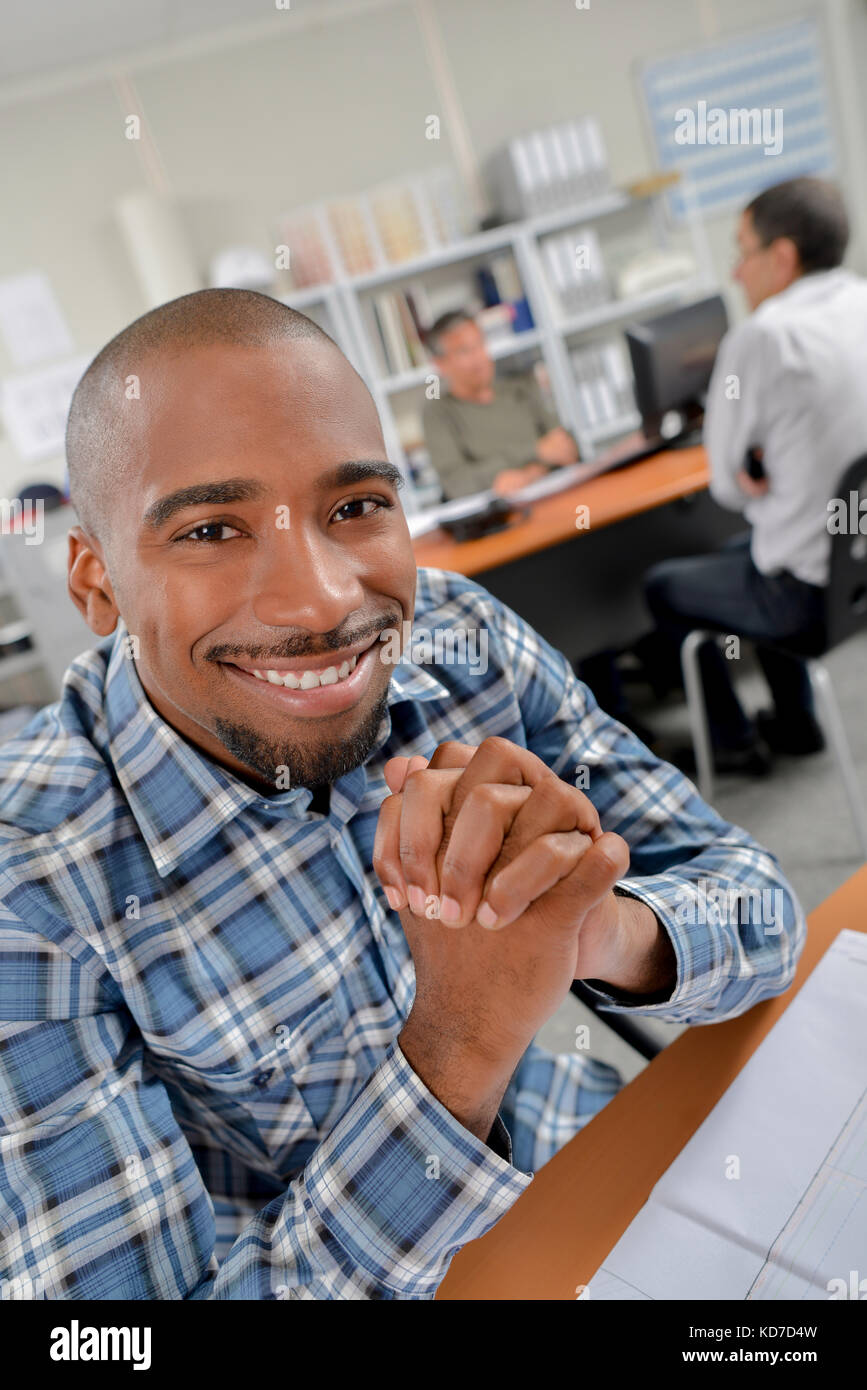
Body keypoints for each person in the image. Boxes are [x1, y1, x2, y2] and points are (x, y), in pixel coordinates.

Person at [0, 289, 804, 1300]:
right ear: (97, 584)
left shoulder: (458, 644)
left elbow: (762, 908)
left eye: (354, 507)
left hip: (591, 1178)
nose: (325, 600)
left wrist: (595, 931)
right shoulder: (28, 885)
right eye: (211, 529)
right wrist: (460, 1045)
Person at [644, 177, 867, 772]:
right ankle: (796, 724)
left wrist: (753, 468)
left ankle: (733, 743)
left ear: (783, 255)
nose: (738, 272)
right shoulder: (860, 301)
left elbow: (724, 486)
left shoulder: (763, 335)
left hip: (804, 599)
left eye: (743, 251)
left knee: (664, 586)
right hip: (856, 570)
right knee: (753, 546)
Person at [422, 309, 579, 498]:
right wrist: (537, 450)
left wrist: (526, 476)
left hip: (558, 498)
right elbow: (457, 484)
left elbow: (565, 448)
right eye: (464, 351)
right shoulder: (437, 412)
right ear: (440, 364)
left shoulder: (521, 387)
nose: (478, 357)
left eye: (480, 344)